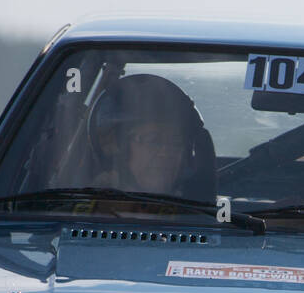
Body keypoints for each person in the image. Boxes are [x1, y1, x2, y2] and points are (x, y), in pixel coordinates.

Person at [86, 74, 215, 200]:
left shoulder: (199, 213)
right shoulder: (89, 211)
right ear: (116, 146)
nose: (166, 152)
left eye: (176, 142)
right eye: (152, 140)